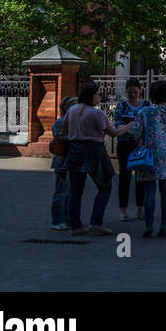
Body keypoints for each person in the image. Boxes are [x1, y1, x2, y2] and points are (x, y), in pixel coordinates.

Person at [64, 83, 131, 236]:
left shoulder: (72, 110)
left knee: (75, 191)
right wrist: (129, 126)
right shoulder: (97, 114)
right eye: (98, 94)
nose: (100, 97)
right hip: (94, 150)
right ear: (91, 95)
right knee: (105, 186)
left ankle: (75, 225)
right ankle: (96, 222)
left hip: (74, 150)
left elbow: (64, 130)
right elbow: (113, 133)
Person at [123, 79, 166, 238]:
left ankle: (149, 226)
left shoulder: (145, 112)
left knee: (149, 191)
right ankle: (165, 225)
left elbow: (135, 132)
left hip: (148, 156)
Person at [112, 78, 150, 221]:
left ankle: (141, 209)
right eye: (130, 92)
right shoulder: (121, 106)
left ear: (140, 91)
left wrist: (130, 127)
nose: (133, 95)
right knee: (124, 177)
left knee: (141, 177)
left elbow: (150, 124)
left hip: (141, 146)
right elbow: (118, 126)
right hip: (125, 145)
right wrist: (133, 126)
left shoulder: (147, 105)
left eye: (135, 92)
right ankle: (124, 210)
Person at [49, 96, 77, 231]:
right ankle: (57, 220)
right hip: (61, 160)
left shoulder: (73, 121)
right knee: (61, 192)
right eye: (72, 105)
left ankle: (67, 218)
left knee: (69, 191)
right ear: (65, 107)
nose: (75, 108)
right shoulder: (61, 122)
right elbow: (61, 139)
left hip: (69, 160)